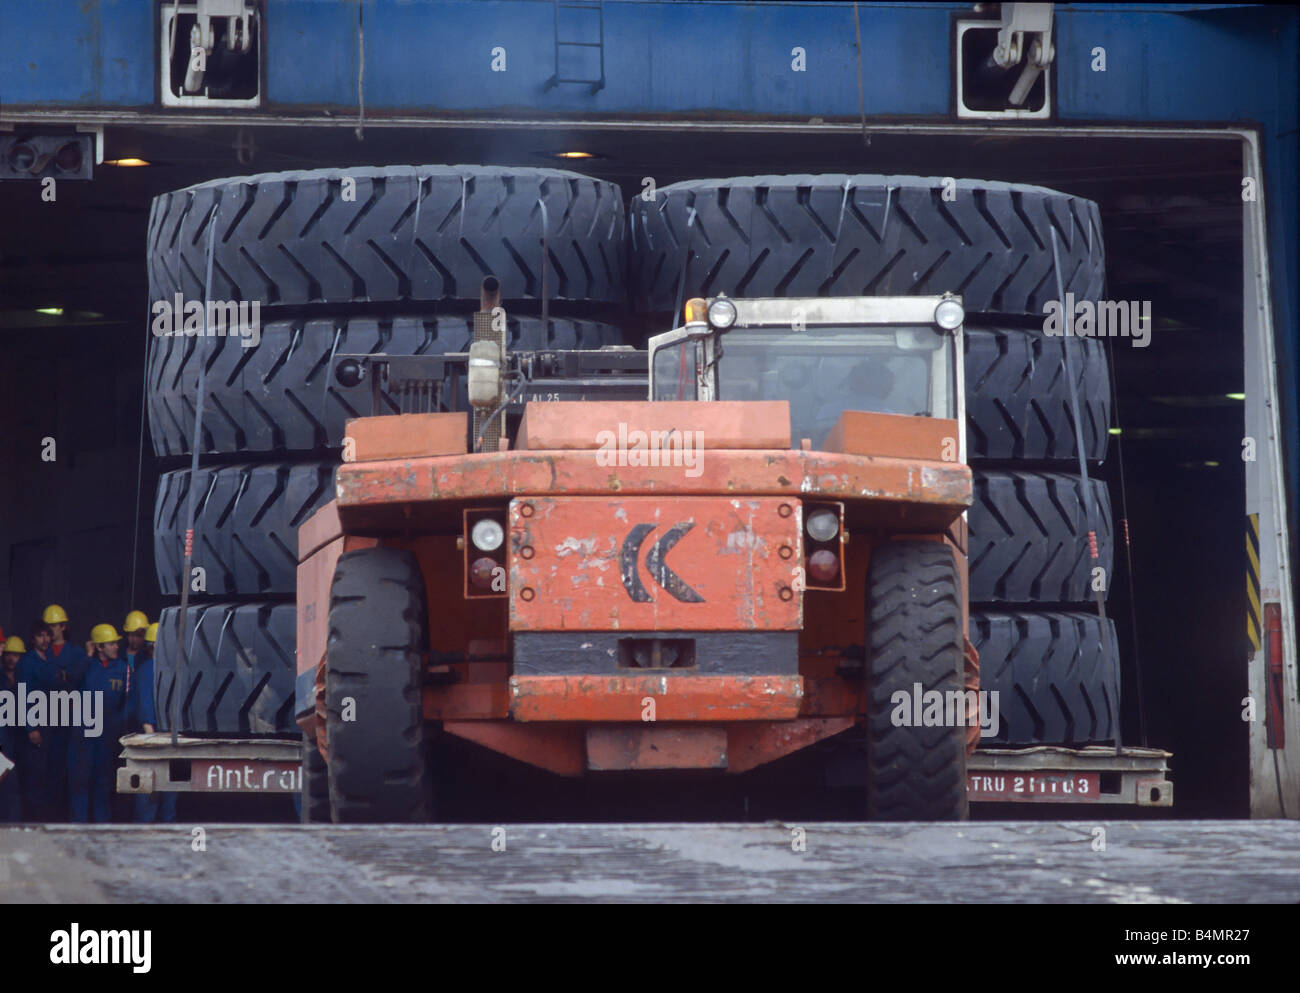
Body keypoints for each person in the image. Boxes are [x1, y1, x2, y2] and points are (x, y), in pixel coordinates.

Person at [67, 624, 130, 823]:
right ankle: (79, 828)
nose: (116, 647)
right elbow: (70, 681)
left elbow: (128, 701)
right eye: (111, 644)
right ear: (99, 647)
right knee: (80, 782)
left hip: (108, 735)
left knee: (103, 784)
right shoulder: (85, 665)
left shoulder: (123, 668)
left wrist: (119, 724)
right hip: (83, 735)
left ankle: (102, 828)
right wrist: (87, 656)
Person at [42, 604, 89, 819]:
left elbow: (76, 681)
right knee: (48, 773)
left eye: (54, 625)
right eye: (48, 626)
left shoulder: (77, 653)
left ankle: (69, 818)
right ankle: (50, 818)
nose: (51, 630)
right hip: (46, 718)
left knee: (71, 773)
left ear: (63, 626)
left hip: (69, 721)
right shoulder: (41, 653)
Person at [129, 622, 176, 823]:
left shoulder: (168, 670)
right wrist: (153, 742)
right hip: (154, 740)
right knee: (149, 793)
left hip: (166, 738)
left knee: (168, 793)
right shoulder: (148, 670)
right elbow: (145, 709)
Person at [15, 623, 57, 820]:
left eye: (47, 636)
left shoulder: (50, 661)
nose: (45, 640)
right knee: (34, 775)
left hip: (50, 723)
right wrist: (31, 727)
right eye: (40, 636)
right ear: (33, 639)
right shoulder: (27, 663)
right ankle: (32, 822)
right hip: (35, 725)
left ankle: (44, 820)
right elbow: (23, 695)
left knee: (47, 774)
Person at [0, 636, 25, 821]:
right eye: (8, 654)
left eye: (15, 655)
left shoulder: (25, 677)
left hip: (20, 738)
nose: (11, 659)